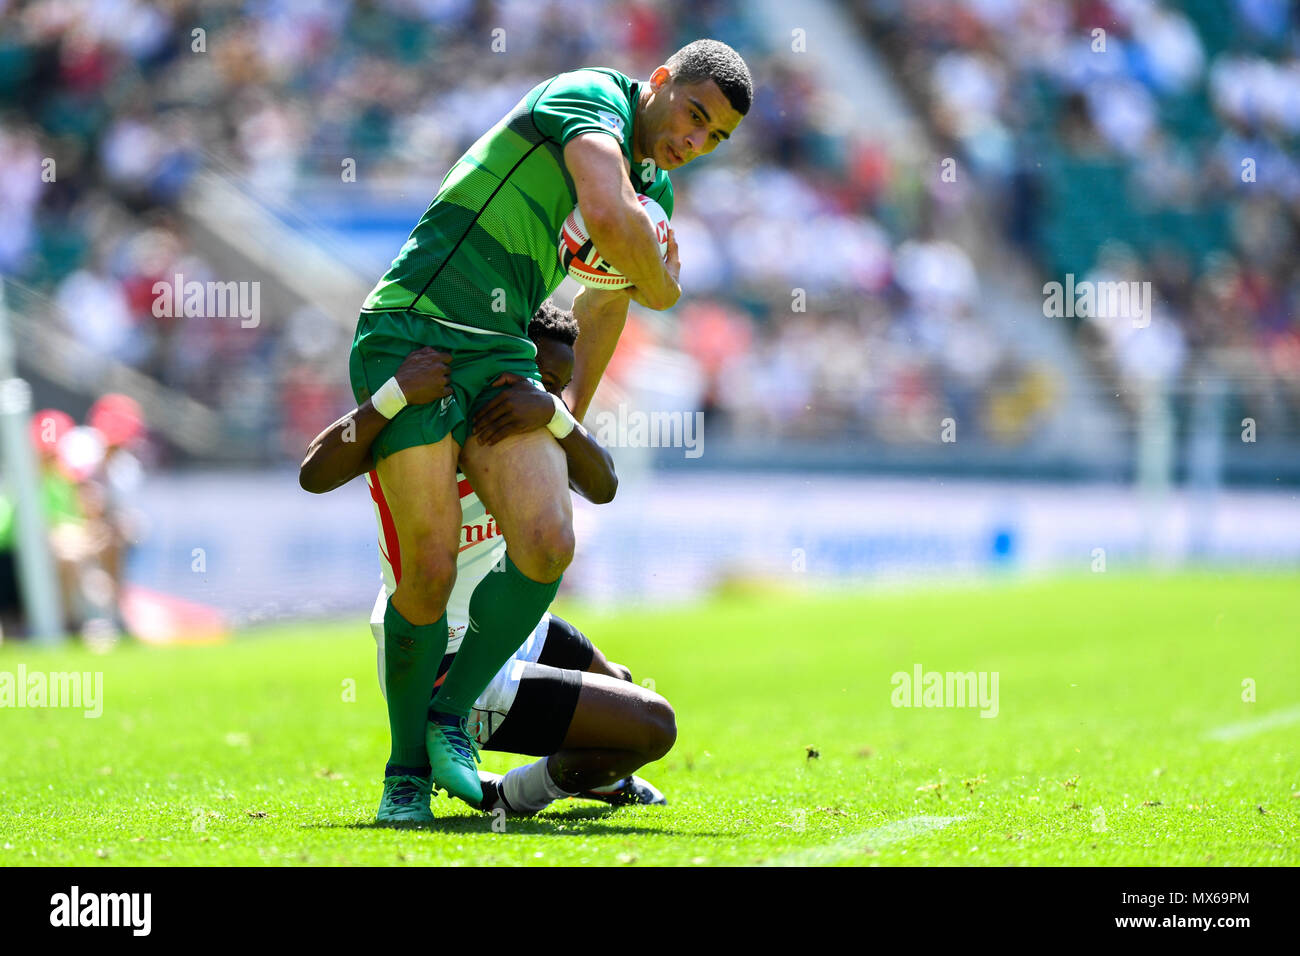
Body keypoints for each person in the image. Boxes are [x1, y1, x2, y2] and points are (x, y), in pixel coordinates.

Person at [346, 38, 751, 818]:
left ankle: (447, 719)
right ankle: (406, 774)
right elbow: (612, 225)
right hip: (417, 323)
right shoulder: (589, 98)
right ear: (659, 81)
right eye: (694, 116)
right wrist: (666, 283)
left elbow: (603, 304)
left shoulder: (654, 195)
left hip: (500, 352)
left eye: (715, 139)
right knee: (427, 571)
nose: (694, 142)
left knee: (548, 542)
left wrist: (571, 422)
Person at [305, 303, 675, 820]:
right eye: (540, 377)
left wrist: (552, 413)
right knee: (652, 726)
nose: (546, 393)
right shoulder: (423, 428)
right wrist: (394, 396)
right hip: (443, 656)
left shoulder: (531, 430)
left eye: (558, 386)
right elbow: (314, 472)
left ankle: (600, 779)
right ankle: (510, 794)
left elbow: (604, 484)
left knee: (623, 682)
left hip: (506, 627)